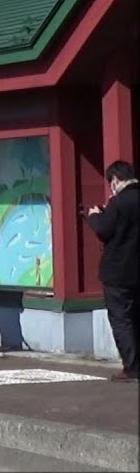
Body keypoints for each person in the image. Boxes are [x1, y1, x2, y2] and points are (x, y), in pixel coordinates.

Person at [85, 160, 139, 383]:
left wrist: (94, 215)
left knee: (121, 319)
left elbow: (104, 230)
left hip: (118, 272)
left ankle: (132, 367)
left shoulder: (118, 202)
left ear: (115, 180)